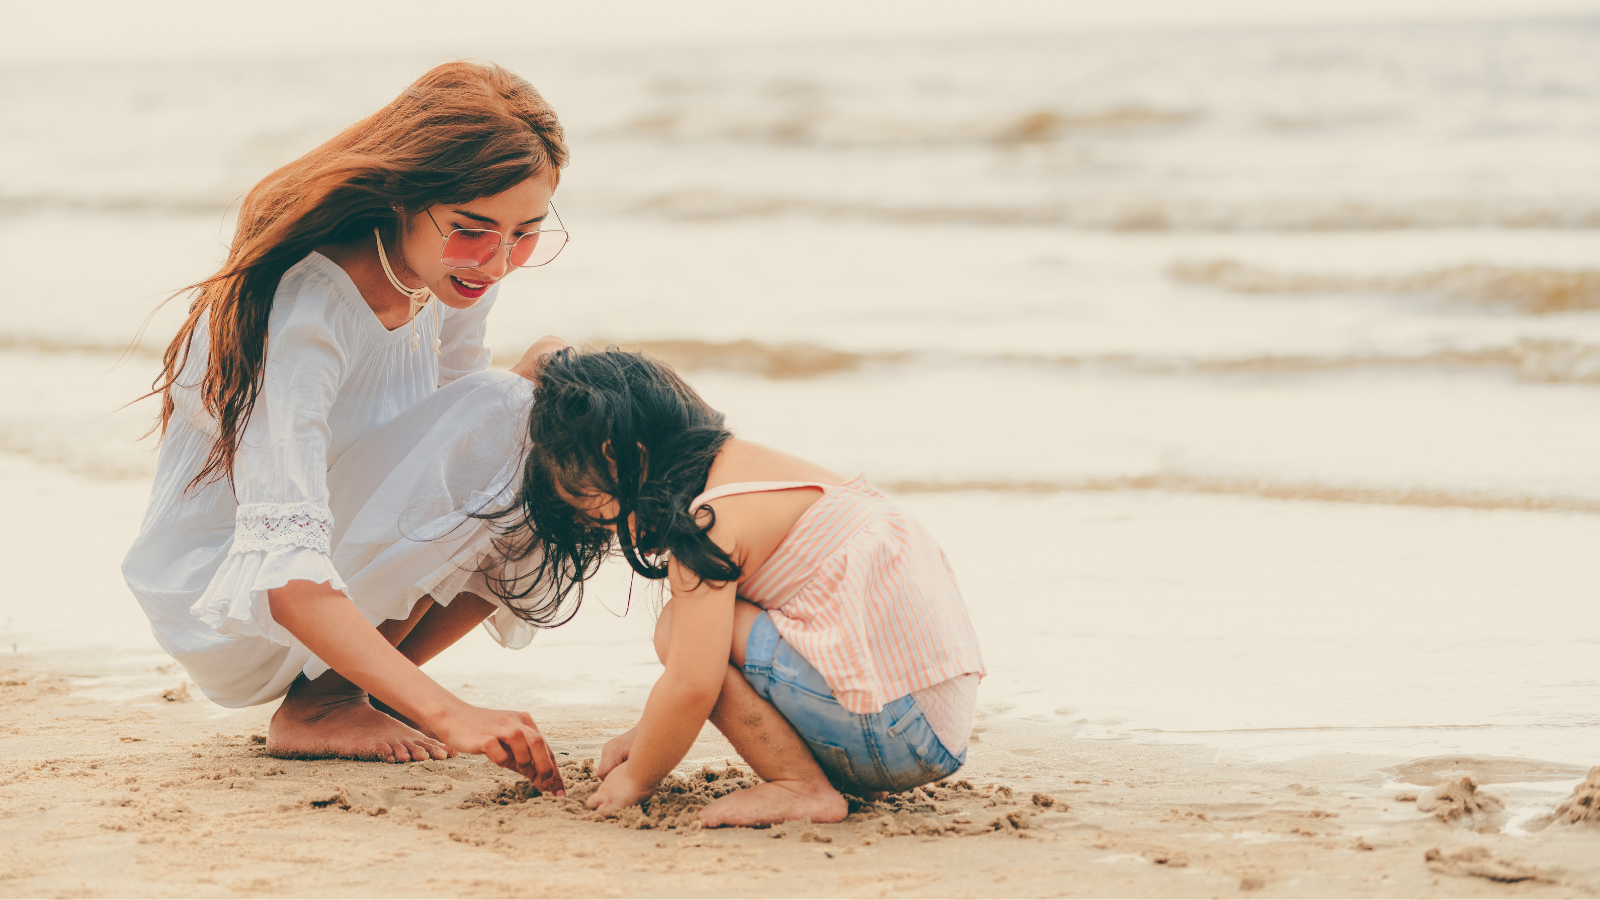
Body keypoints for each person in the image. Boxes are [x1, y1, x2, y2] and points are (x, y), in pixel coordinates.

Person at [122, 60, 571, 792]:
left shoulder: (452, 275)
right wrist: (452, 714)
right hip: (231, 596)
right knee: (516, 410)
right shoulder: (308, 311)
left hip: (331, 563)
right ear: (404, 197)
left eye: (525, 236)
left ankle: (353, 689)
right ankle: (325, 702)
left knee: (565, 406)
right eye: (473, 231)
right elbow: (284, 577)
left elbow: (459, 431)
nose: (496, 262)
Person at [484, 347, 986, 825]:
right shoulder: (753, 471)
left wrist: (636, 780)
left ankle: (801, 786)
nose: (595, 527)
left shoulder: (709, 523)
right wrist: (647, 733)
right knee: (698, 633)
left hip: (895, 733)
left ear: (618, 457)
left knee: (678, 630)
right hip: (931, 728)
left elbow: (692, 684)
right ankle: (826, 773)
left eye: (583, 504)